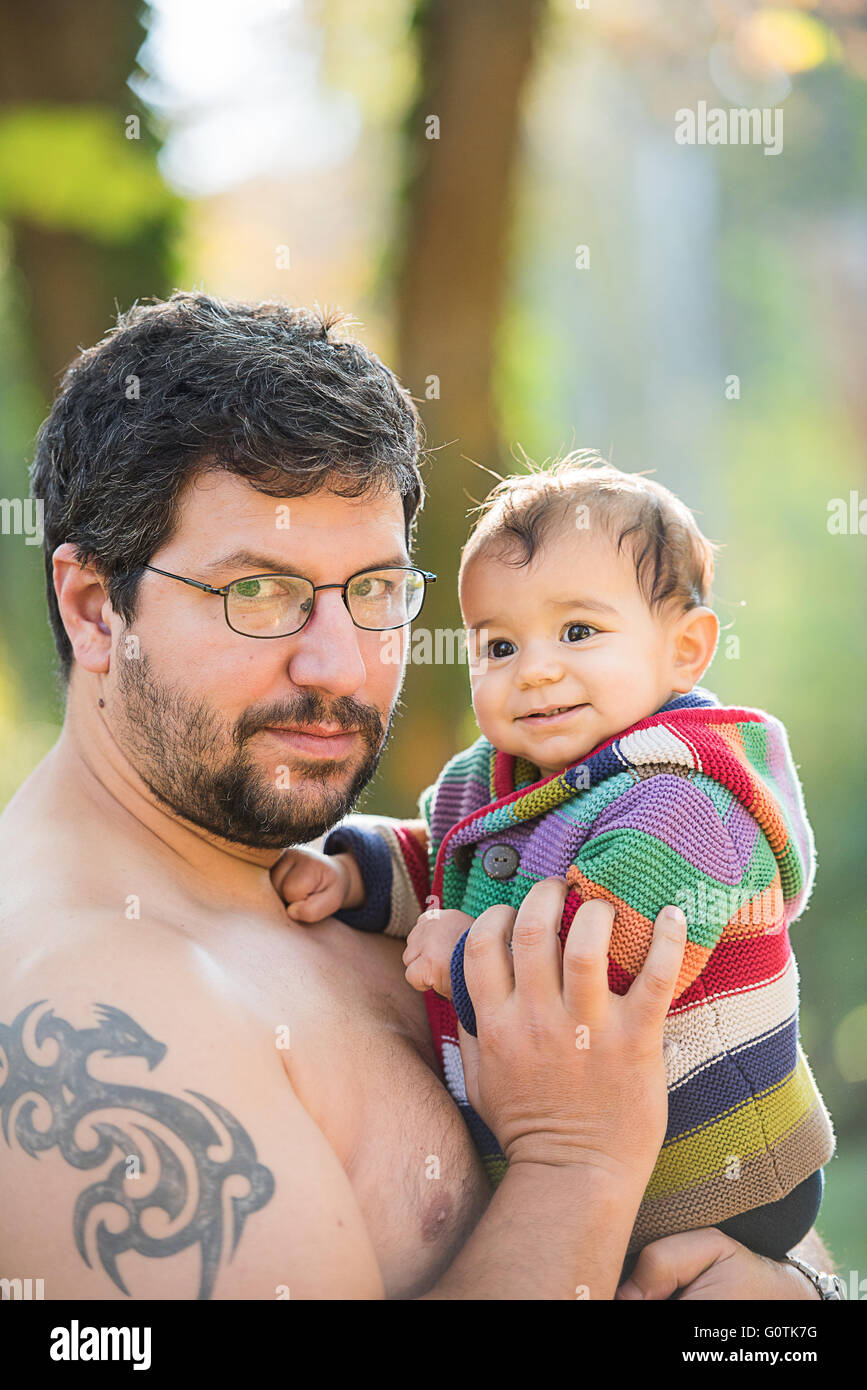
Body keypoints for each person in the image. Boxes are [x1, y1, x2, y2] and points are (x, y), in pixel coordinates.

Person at [0, 292, 834, 1299]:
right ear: (96, 609)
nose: (341, 666)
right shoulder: (89, 1022)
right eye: (259, 592)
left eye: (375, 592)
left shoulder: (373, 867)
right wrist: (576, 1165)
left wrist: (791, 1298)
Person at [274, 456, 835, 1265]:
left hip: (724, 1176)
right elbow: (446, 859)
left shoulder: (688, 797)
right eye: (499, 644)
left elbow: (604, 963)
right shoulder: (494, 775)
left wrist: (463, 956)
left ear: (684, 650)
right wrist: (355, 872)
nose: (533, 670)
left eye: (577, 632)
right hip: (610, 1186)